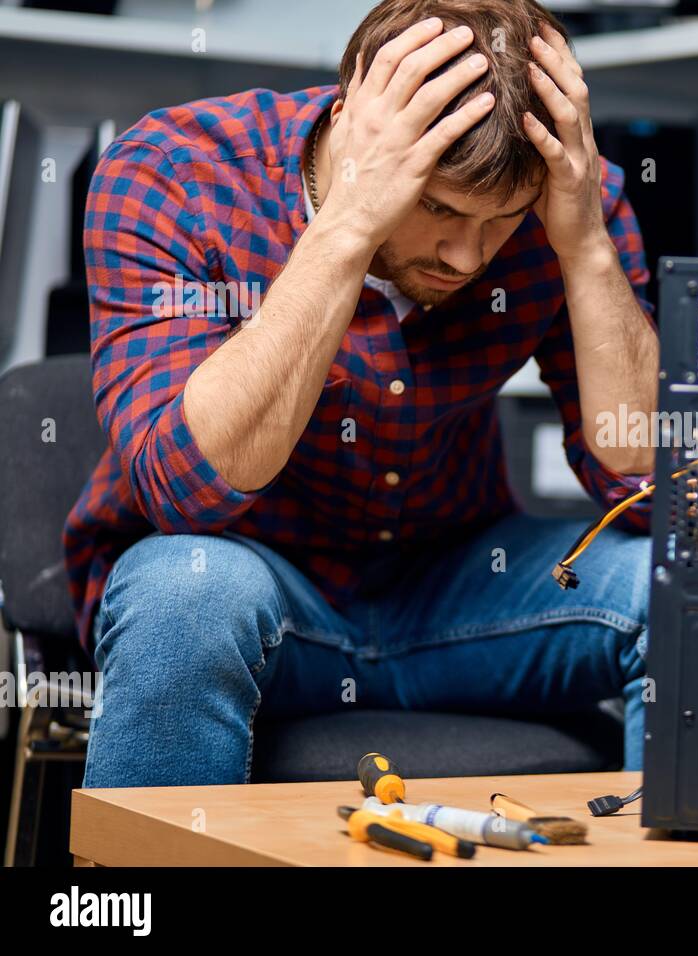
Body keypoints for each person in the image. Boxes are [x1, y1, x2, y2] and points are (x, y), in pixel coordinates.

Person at [64, 0, 659, 787]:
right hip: (250, 592)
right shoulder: (173, 172)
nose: (465, 255)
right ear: (351, 128)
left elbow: (651, 488)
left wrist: (582, 242)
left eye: (501, 220)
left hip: (462, 597)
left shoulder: (570, 193)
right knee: (189, 593)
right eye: (438, 207)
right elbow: (188, 493)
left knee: (684, 587)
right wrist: (349, 224)